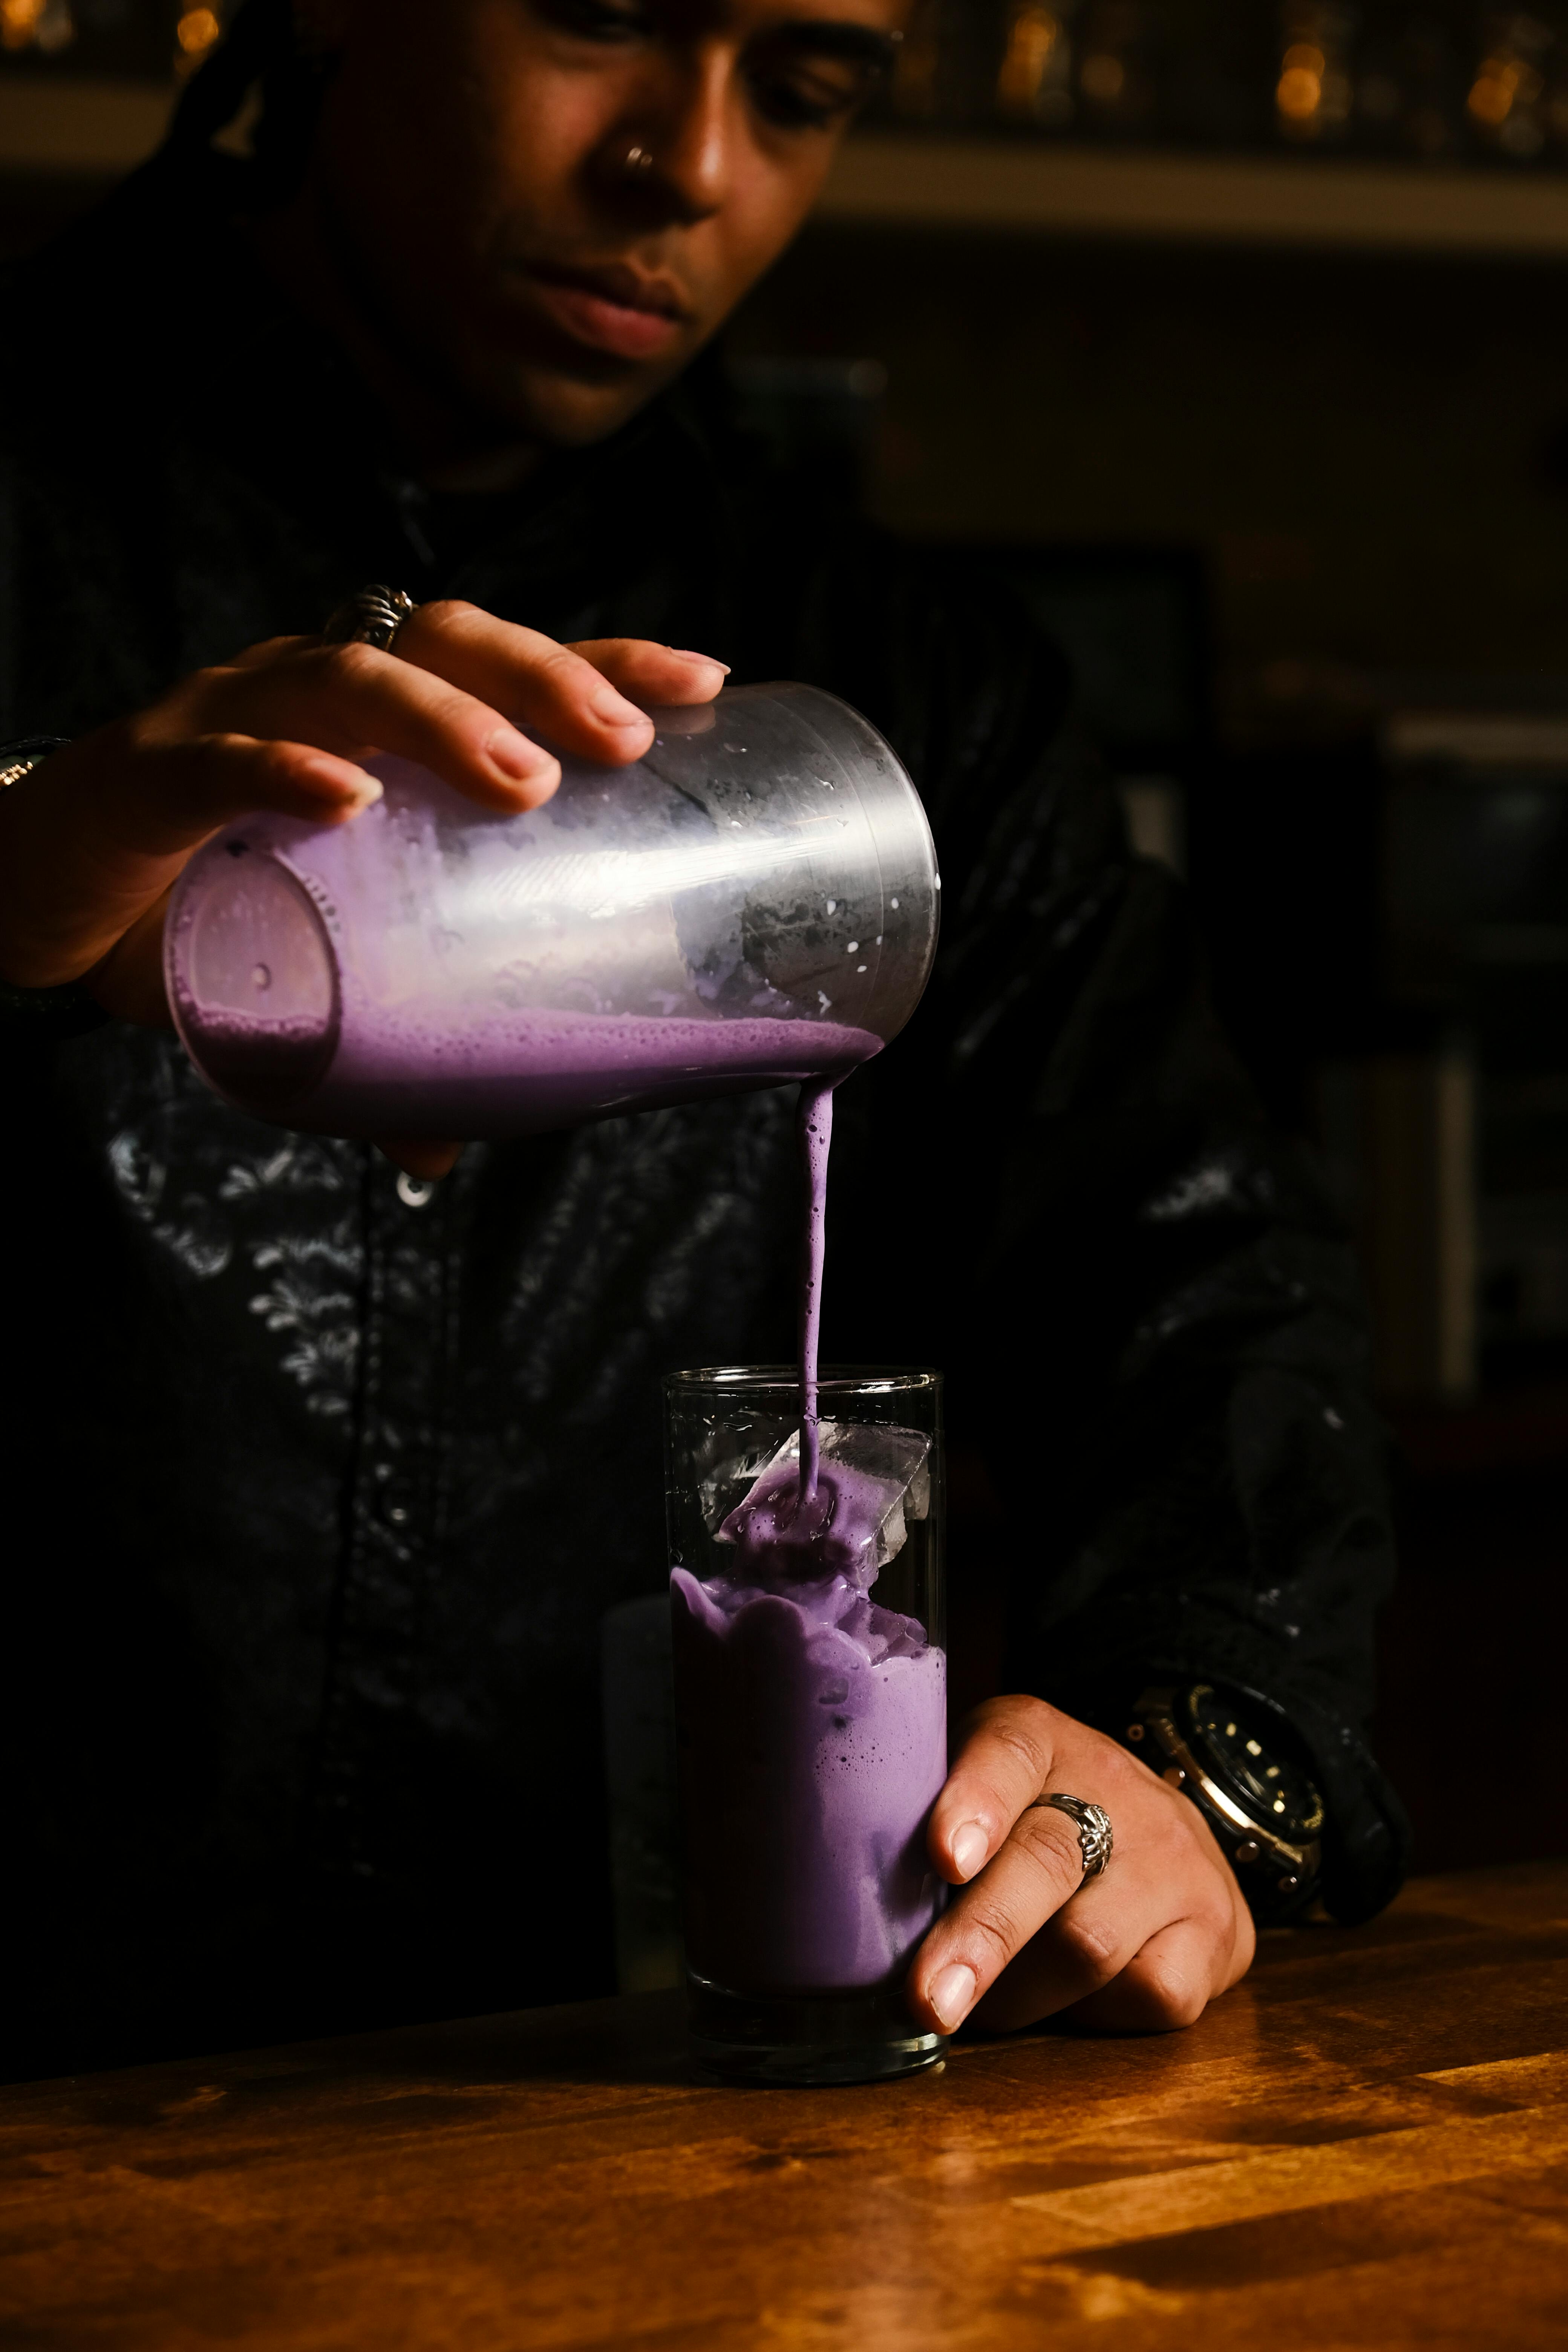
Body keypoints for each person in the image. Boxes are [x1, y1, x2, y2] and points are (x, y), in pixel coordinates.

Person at [0, 0, 1407, 2082]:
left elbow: (1193, 1275)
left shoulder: (899, 679)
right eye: (603, 14)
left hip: (626, 2119)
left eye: (808, 88)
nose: (694, 162)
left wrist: (1193, 1742)